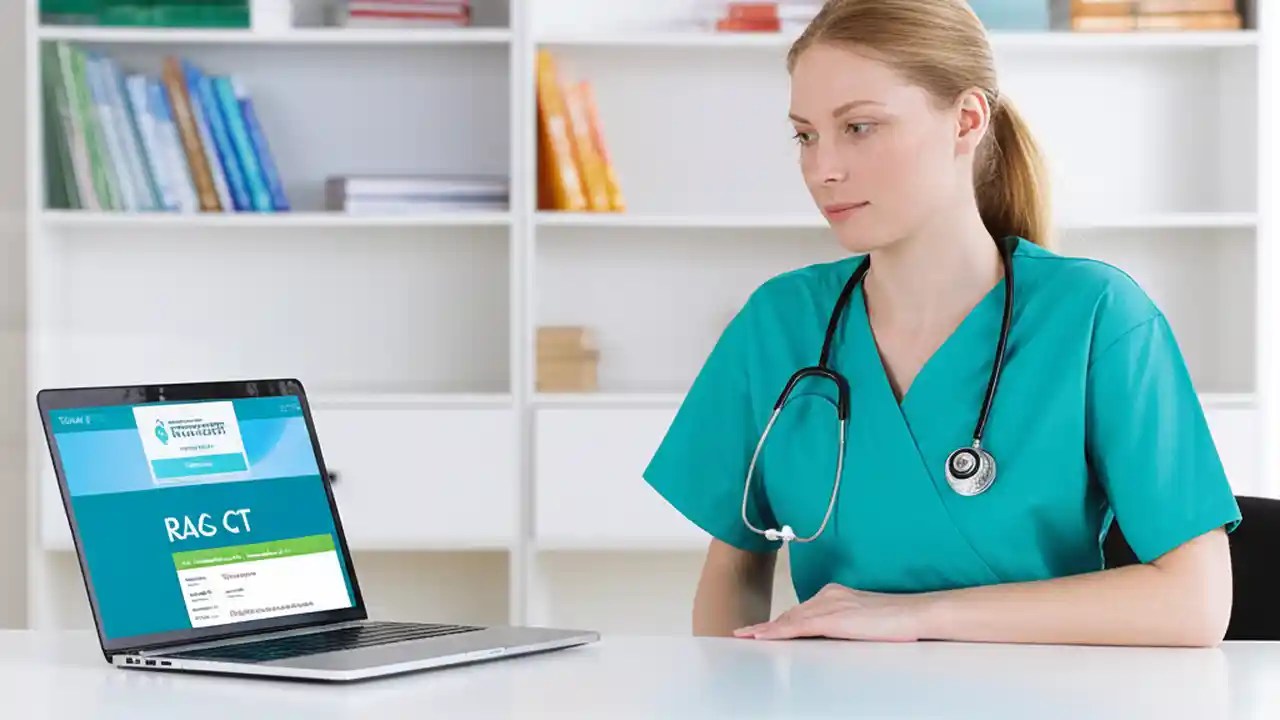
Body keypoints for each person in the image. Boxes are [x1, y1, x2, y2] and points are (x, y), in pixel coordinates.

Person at [641, 0, 1241, 648]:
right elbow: (736, 564)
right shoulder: (779, 324)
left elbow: (1195, 602)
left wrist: (918, 617)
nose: (822, 169)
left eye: (860, 128)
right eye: (806, 135)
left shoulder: (1097, 317)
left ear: (966, 119)